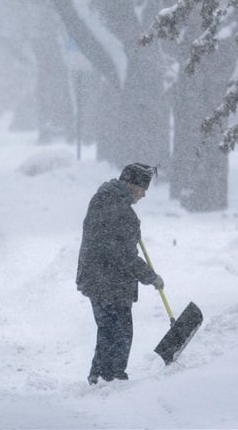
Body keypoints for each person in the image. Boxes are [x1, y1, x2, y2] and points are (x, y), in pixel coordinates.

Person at [75, 162, 164, 384]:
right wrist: (150, 276)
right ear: (131, 184)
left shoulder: (107, 200)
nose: (144, 195)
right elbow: (122, 257)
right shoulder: (118, 209)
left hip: (99, 277)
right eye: (143, 189)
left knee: (109, 330)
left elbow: (115, 247)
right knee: (119, 332)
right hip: (108, 280)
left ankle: (102, 376)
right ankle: (110, 377)